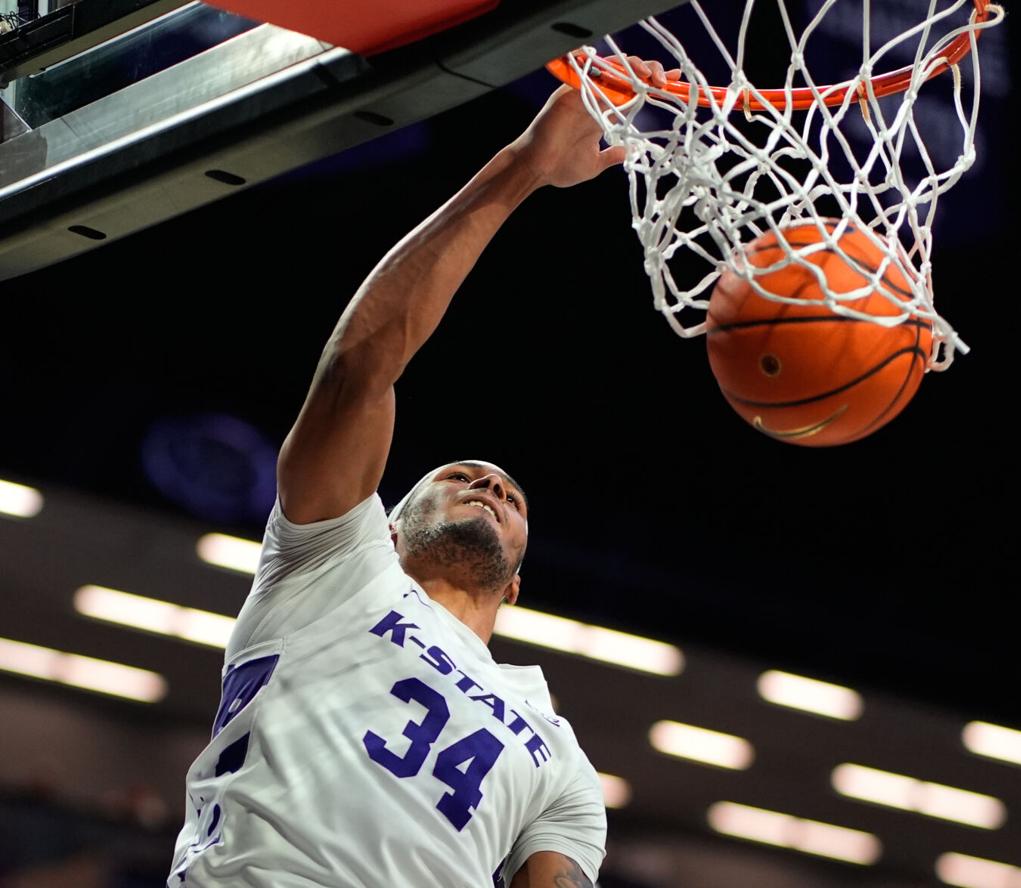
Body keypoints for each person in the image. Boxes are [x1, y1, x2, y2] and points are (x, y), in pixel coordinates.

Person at [169, 59, 675, 888]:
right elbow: (358, 372)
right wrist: (523, 167)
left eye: (510, 497)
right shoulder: (334, 560)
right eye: (461, 474)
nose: (493, 487)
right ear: (388, 524)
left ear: (515, 585)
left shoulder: (559, 758)